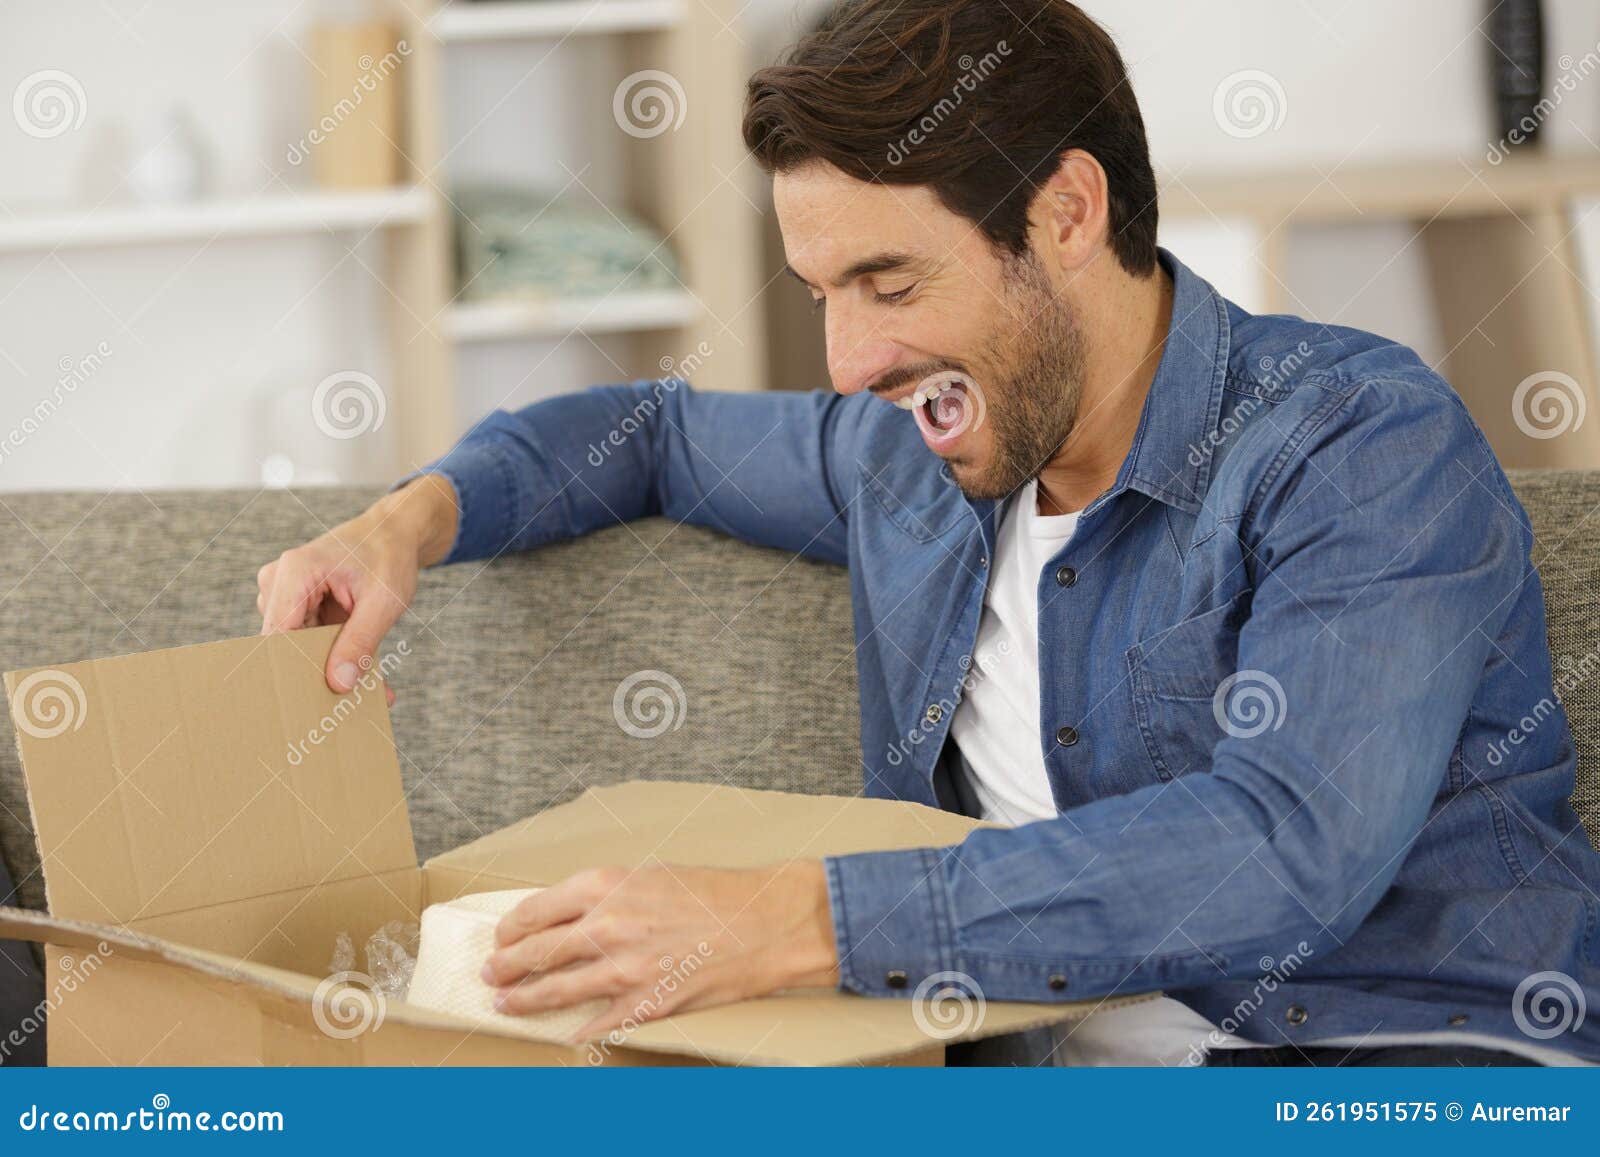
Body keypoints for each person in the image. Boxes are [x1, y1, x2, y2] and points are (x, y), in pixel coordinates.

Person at [257, 0, 1600, 1066]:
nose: (846, 361)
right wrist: (405, 523)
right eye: (822, 291)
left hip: (1403, 1065)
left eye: (889, 282)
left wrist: (792, 919)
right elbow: (647, 435)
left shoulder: (1357, 445)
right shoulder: (905, 456)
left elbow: (1285, 847)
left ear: (1066, 213)